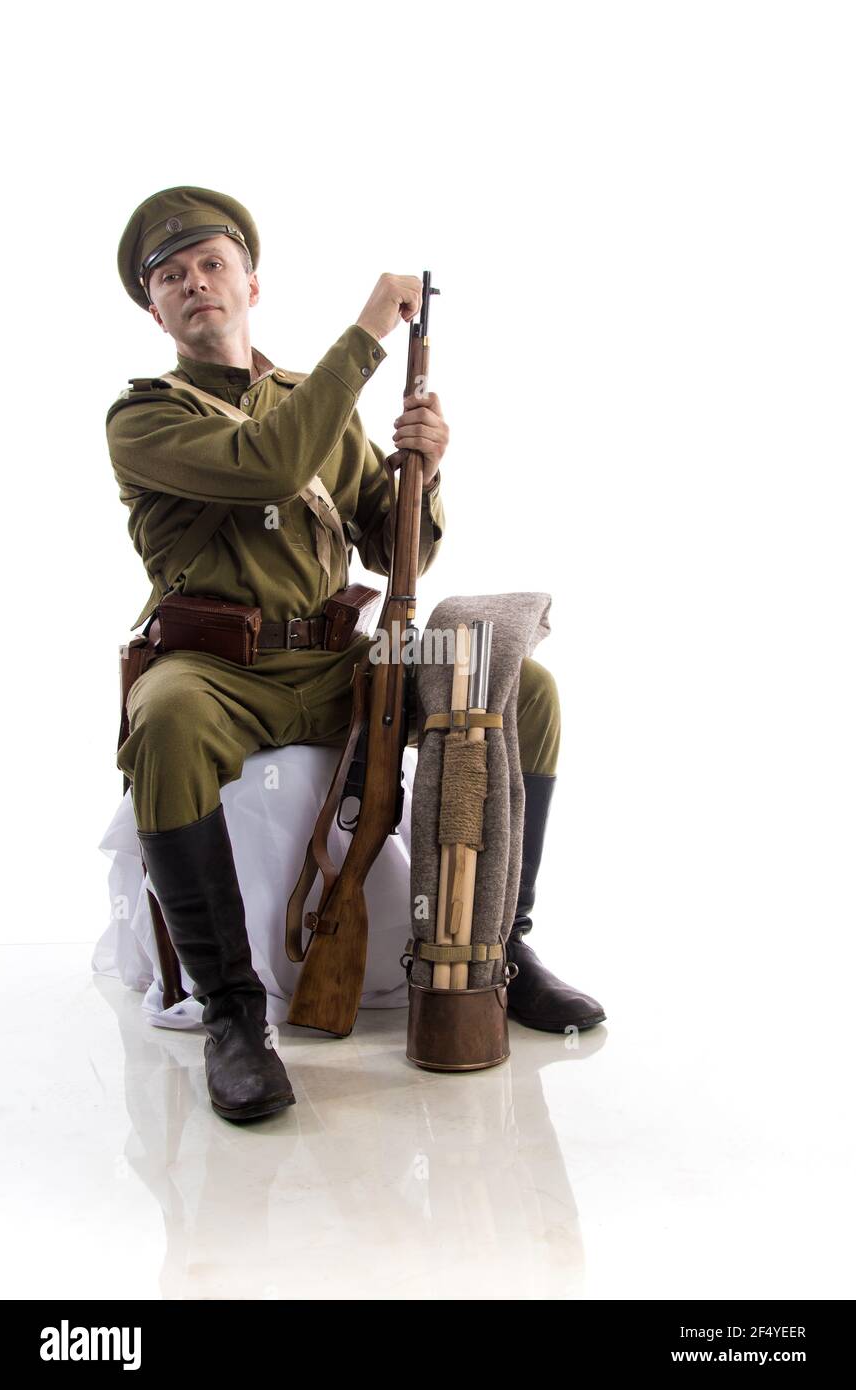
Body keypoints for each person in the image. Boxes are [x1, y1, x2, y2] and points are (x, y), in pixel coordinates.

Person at [109, 185, 604, 1123]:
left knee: (524, 687)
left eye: (212, 264)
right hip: (221, 674)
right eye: (171, 276)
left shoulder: (314, 399)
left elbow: (392, 548)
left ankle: (504, 945)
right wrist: (372, 330)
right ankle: (231, 1013)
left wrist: (423, 467)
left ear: (251, 281)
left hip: (342, 663)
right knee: (164, 719)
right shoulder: (142, 421)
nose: (195, 283)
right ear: (154, 309)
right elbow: (267, 463)